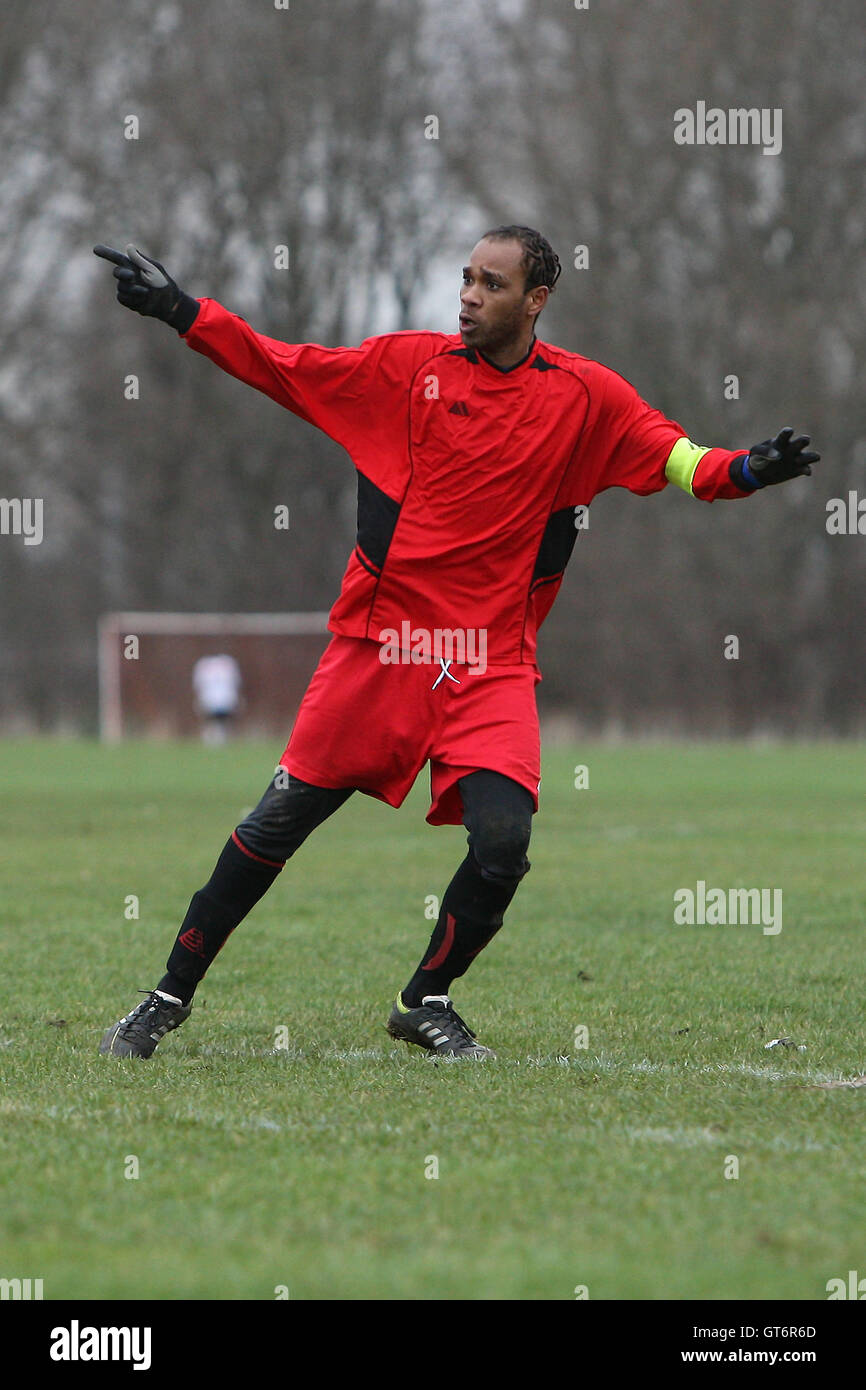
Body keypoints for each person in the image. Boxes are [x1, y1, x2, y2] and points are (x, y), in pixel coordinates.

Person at [93, 227, 819, 1060]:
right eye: (467, 278)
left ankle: (424, 997)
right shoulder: (406, 369)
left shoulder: (586, 398)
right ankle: (163, 999)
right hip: (380, 648)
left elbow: (682, 460)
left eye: (492, 283)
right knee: (277, 823)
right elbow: (280, 366)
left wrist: (751, 469)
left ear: (536, 301)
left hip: (490, 664)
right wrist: (182, 311)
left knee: (505, 845)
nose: (470, 295)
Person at [192, 653, 243, 744]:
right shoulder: (228, 663)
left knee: (218, 722)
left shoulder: (204, 664)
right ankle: (215, 741)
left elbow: (197, 684)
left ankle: (216, 741)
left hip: (215, 699)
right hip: (220, 699)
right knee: (216, 722)